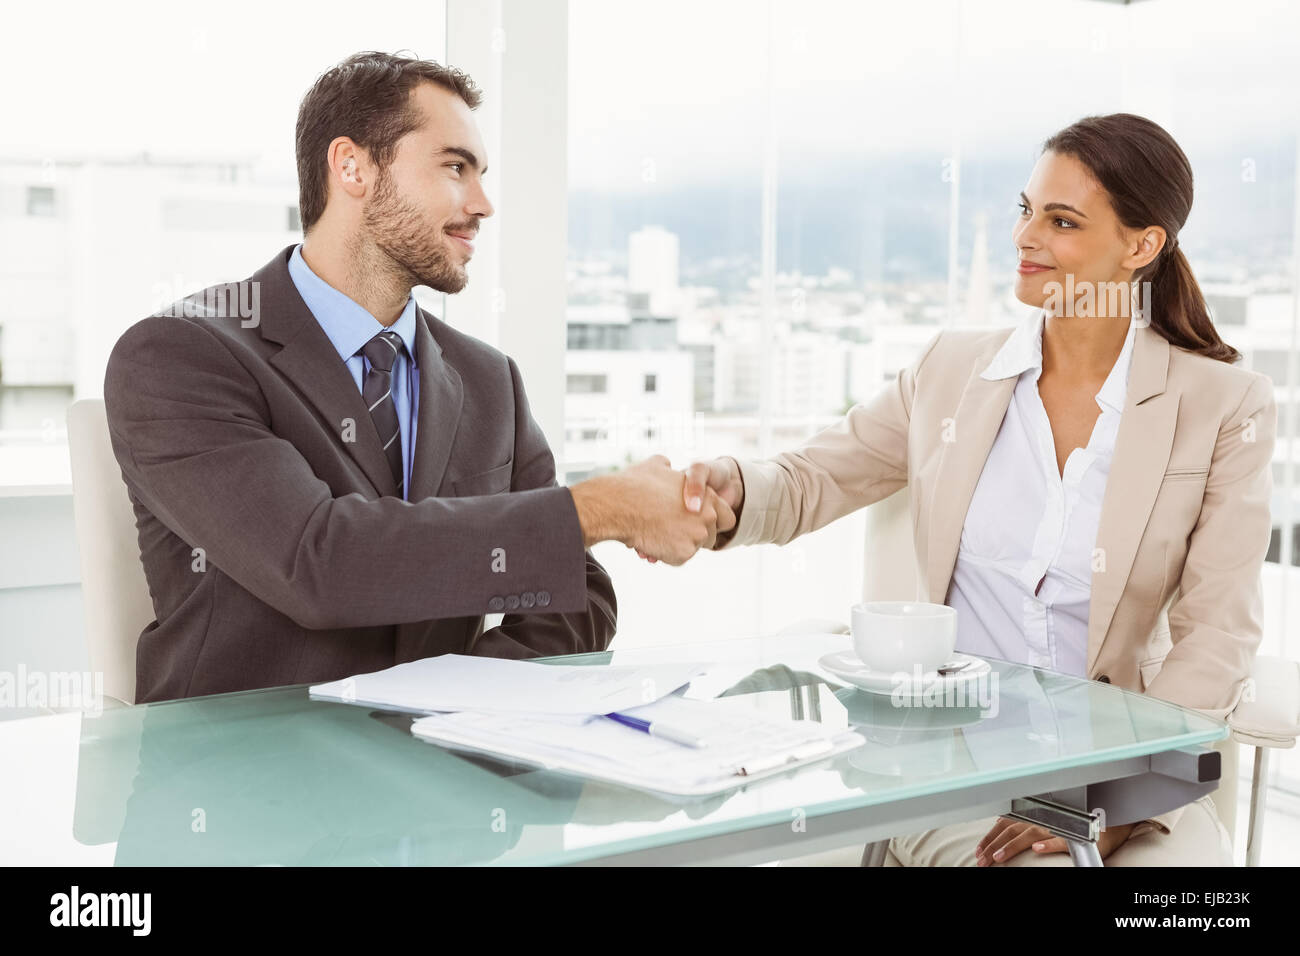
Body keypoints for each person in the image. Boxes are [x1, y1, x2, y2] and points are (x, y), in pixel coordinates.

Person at [665, 113, 1277, 865]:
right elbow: (814, 477)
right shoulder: (950, 373)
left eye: (1062, 221)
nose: (1025, 238)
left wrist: (1111, 807)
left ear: (1141, 246)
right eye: (1026, 211)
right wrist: (734, 491)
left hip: (1131, 770)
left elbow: (1218, 635)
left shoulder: (1223, 404)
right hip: (956, 765)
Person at [103, 51, 734, 704]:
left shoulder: (489, 381)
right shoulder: (181, 354)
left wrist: (445, 705)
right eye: (455, 167)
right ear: (352, 166)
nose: (484, 203)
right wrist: (605, 507)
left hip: (441, 773)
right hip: (240, 778)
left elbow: (575, 597)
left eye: (482, 175)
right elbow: (320, 566)